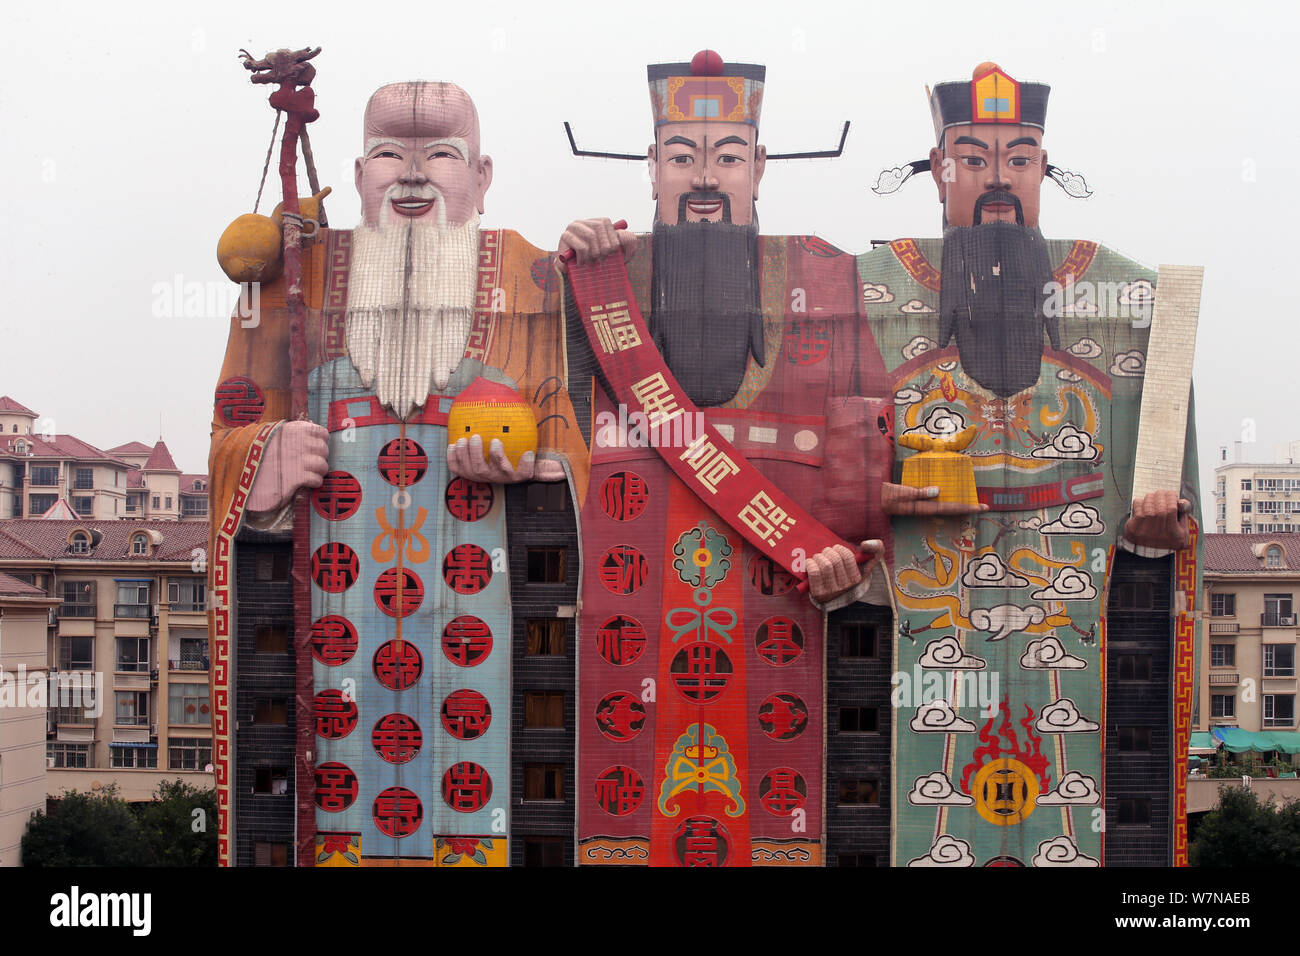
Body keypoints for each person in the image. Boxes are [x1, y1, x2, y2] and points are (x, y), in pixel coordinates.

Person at [208, 80, 585, 867]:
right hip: (330, 627)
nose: (412, 175)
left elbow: (575, 439)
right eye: (390, 154)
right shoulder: (290, 277)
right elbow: (231, 424)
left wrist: (538, 468)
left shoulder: (537, 279)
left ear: (481, 177)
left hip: (488, 632)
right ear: (356, 173)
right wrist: (258, 458)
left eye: (440, 155)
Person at [558, 52, 896, 866]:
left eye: (728, 156)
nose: (704, 177)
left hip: (780, 594)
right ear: (649, 170)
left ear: (760, 169)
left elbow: (871, 431)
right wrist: (574, 261)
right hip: (630, 582)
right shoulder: (604, 274)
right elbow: (546, 408)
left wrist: (849, 546)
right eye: (681, 155)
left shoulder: (828, 272)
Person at [859, 63, 1200, 867]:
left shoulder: (1130, 295)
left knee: (1076, 798)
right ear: (937, 168)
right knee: (922, 779)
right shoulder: (863, 288)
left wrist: (1166, 510)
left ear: (1045, 168)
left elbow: (1171, 473)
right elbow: (801, 440)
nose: (997, 179)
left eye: (1020, 156)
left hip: (1072, 586)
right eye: (972, 158)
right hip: (925, 602)